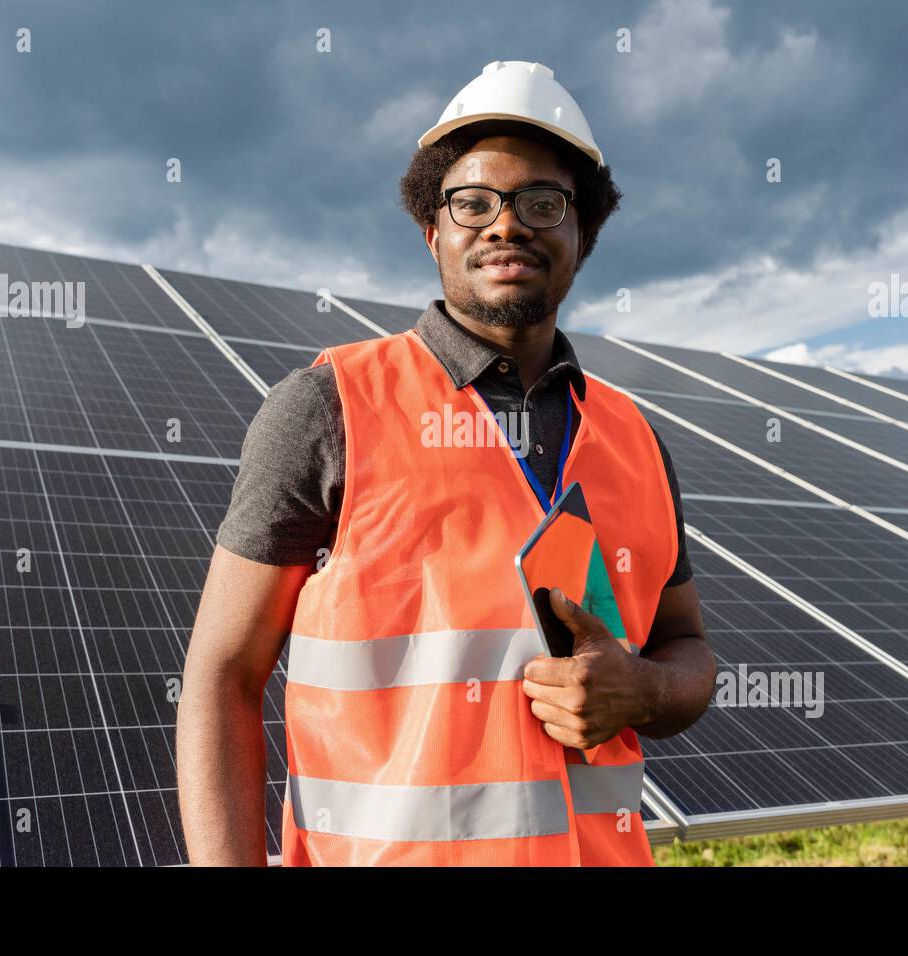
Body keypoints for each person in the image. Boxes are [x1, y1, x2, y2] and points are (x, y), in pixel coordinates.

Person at [177, 60, 716, 866]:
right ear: (435, 231)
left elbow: (688, 650)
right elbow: (222, 679)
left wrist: (645, 690)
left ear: (583, 235)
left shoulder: (634, 437)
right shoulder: (326, 408)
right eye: (473, 203)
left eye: (543, 202)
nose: (506, 226)